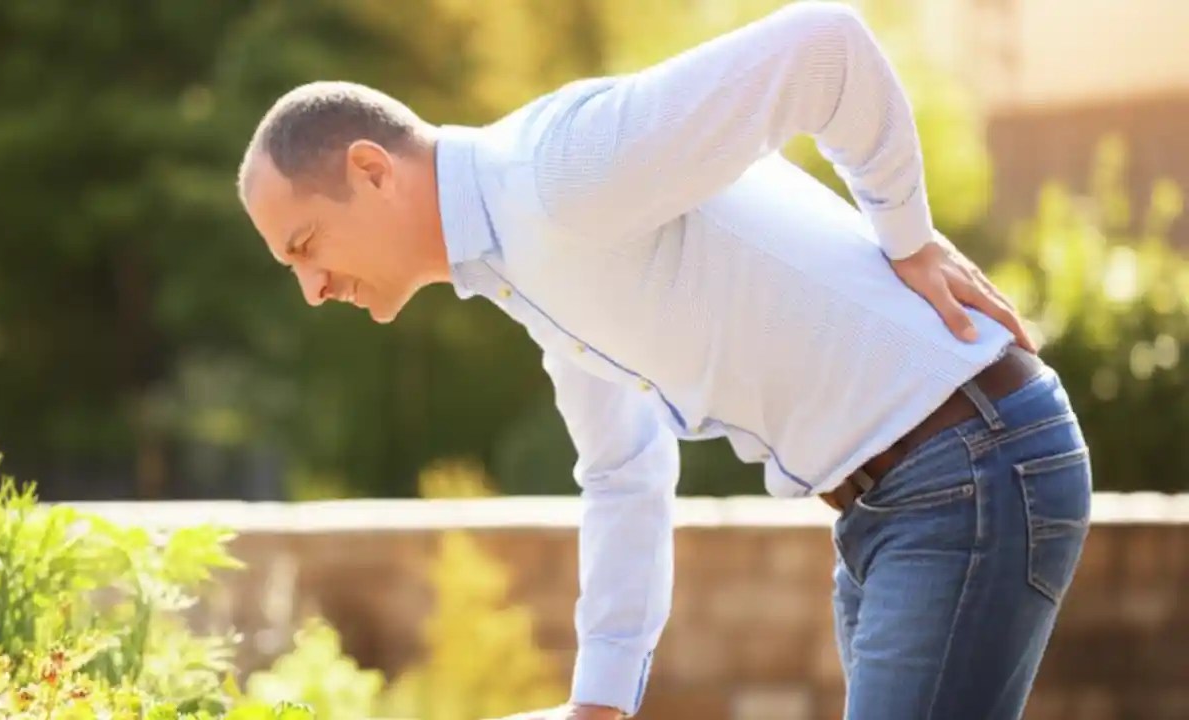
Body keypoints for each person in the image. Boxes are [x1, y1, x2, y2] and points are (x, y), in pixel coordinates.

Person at [236, 3, 1091, 718]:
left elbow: (825, 44)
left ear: (371, 170)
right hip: (902, 498)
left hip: (969, 460)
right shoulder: (519, 268)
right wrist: (600, 703)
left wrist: (908, 236)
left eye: (306, 244)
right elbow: (622, 472)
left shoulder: (554, 172)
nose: (312, 289)